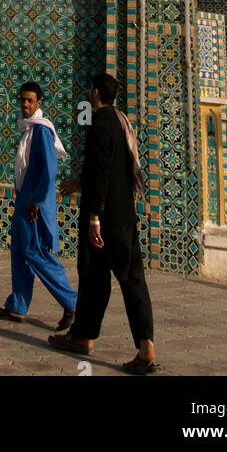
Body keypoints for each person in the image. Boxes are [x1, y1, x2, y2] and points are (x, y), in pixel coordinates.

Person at [48, 72, 156, 374]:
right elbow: (110, 168)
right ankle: (144, 344)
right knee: (129, 278)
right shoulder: (122, 123)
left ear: (95, 94)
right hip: (124, 216)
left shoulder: (99, 125)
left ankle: (85, 336)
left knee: (95, 276)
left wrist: (94, 217)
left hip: (103, 218)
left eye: (90, 90)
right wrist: (80, 181)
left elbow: (100, 173)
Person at [0, 81, 76, 328]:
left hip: (32, 205)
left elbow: (49, 171)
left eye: (30, 101)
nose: (25, 104)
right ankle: (17, 306)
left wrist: (37, 202)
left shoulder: (41, 131)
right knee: (19, 252)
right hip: (23, 199)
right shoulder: (28, 129)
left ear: (39, 103)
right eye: (22, 100)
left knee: (34, 252)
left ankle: (71, 302)